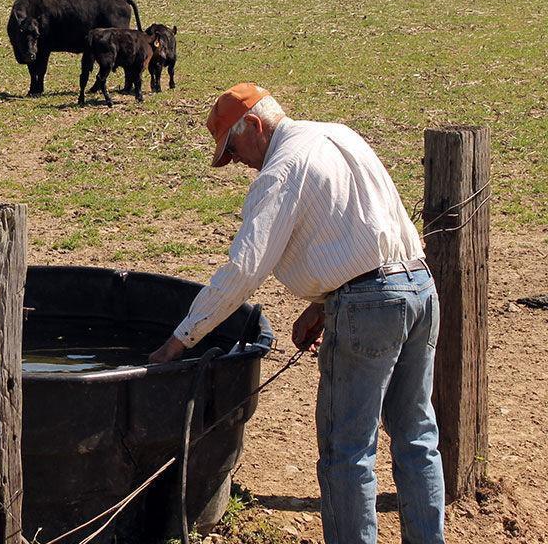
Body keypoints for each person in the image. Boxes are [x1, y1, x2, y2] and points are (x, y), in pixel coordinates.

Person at [149, 83, 444, 544]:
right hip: (418, 288)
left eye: (234, 148)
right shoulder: (338, 135)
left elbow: (244, 269)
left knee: (348, 449)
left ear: (256, 126)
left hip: (368, 304)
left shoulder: (281, 171)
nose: (238, 163)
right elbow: (366, 229)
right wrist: (322, 305)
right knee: (416, 436)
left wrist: (179, 340)